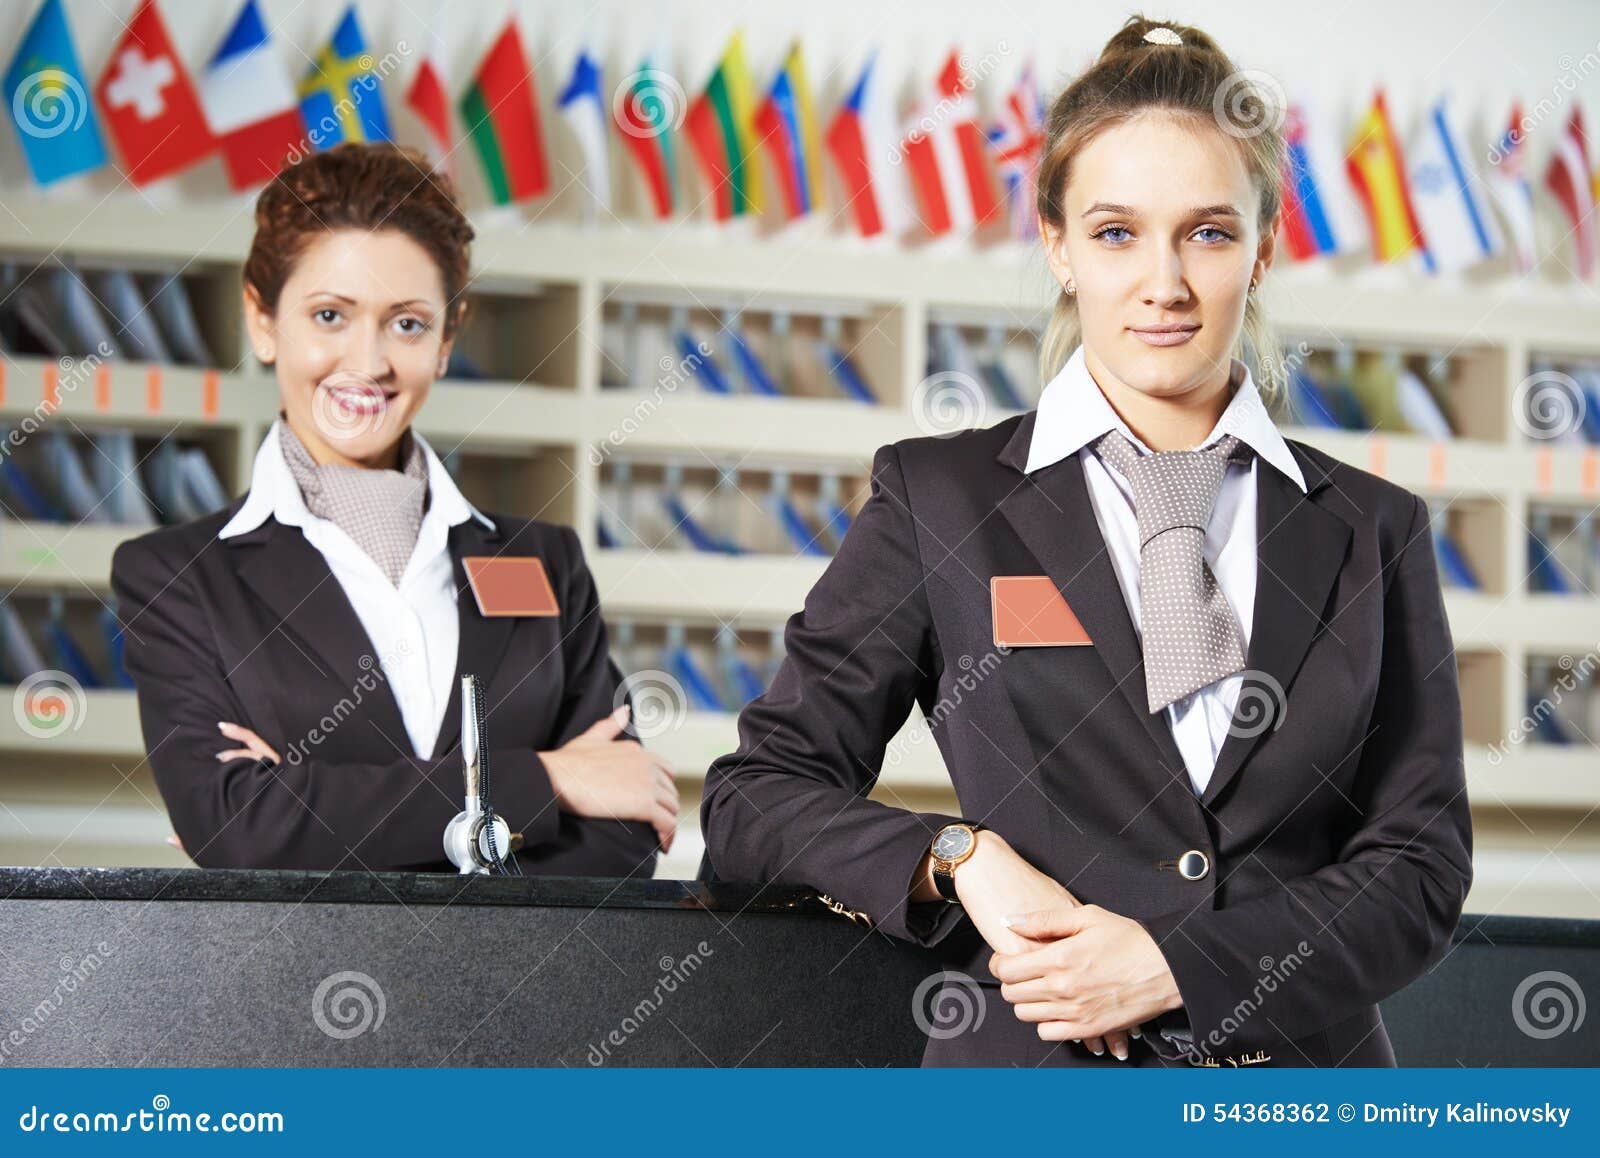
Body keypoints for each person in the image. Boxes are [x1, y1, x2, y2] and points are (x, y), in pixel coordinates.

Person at [700, 15, 1472, 1066]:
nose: (1164, 283)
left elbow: (1418, 866)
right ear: (1058, 245)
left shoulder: (1373, 526)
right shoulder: (942, 499)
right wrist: (956, 854)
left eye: (1207, 231)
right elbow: (756, 799)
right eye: (1116, 233)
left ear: (1265, 244)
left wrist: (1179, 968)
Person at [111, 143, 677, 875]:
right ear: (261, 320)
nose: (369, 361)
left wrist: (307, 800)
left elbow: (622, 837)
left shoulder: (546, 564)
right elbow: (237, 827)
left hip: (527, 990)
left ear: (447, 338)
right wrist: (553, 780)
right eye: (329, 315)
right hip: (294, 987)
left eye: (406, 323)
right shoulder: (178, 577)